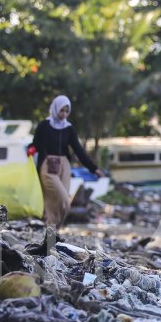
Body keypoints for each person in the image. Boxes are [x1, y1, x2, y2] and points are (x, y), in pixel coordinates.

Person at [28, 95, 103, 229]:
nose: (64, 114)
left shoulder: (69, 129)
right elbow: (35, 144)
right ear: (55, 108)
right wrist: (31, 149)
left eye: (66, 111)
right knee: (63, 200)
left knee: (56, 204)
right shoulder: (44, 126)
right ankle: (52, 234)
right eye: (61, 110)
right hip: (47, 166)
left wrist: (93, 168)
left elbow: (79, 151)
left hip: (64, 167)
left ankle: (52, 236)